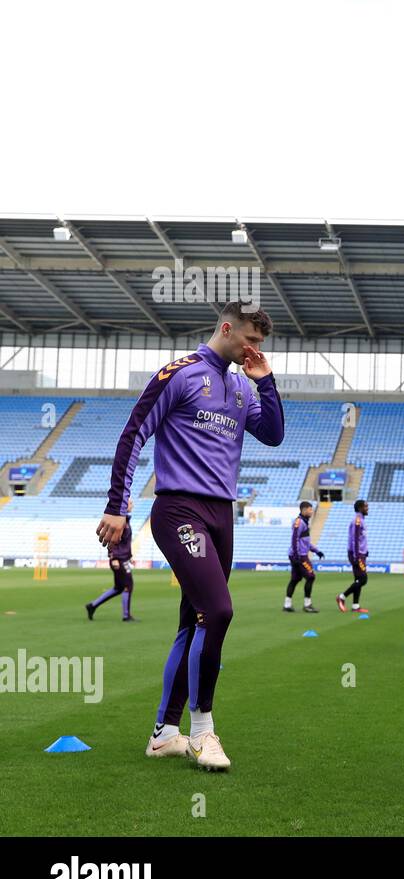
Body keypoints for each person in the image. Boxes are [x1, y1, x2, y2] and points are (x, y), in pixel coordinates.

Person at [97, 300, 284, 771]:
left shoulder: (243, 386)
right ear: (227, 328)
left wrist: (266, 380)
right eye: (251, 340)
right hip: (178, 507)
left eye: (261, 342)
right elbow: (132, 434)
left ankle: (163, 734)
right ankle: (203, 731)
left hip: (221, 515)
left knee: (195, 621)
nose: (255, 349)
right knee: (218, 611)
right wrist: (117, 507)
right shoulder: (179, 373)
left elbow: (274, 434)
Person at [87, 498, 139, 622]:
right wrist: (113, 556)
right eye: (130, 503)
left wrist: (129, 557)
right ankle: (126, 616)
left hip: (122, 558)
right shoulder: (119, 521)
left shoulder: (125, 520)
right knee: (128, 586)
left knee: (118, 588)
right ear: (125, 506)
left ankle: (92, 606)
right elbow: (112, 540)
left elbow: (124, 542)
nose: (133, 505)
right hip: (118, 560)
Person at [284, 501, 323, 613]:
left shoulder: (304, 522)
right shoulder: (299, 522)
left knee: (295, 579)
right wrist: (297, 556)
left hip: (298, 554)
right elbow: (294, 539)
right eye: (310, 509)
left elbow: (305, 542)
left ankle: (287, 605)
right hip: (300, 556)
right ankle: (307, 605)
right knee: (311, 576)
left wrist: (316, 551)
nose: (311, 511)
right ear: (304, 510)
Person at [337, 499, 369, 613]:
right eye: (366, 506)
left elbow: (361, 539)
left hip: (360, 553)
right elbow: (355, 539)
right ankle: (342, 597)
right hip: (357, 554)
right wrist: (357, 556)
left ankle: (355, 606)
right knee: (363, 579)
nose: (367, 508)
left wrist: (366, 551)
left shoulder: (361, 520)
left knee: (358, 579)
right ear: (360, 508)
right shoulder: (357, 521)